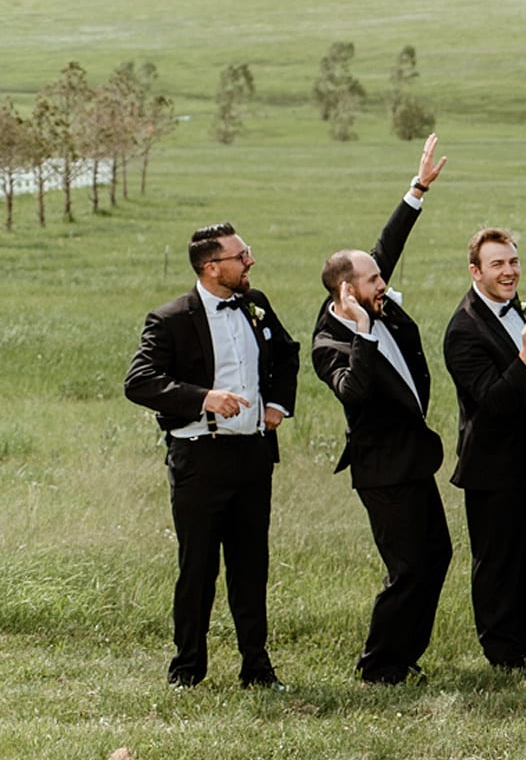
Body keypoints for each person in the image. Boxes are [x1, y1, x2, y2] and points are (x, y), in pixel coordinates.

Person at [125, 221, 300, 689]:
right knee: (198, 566)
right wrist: (204, 397)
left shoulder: (255, 304)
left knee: (251, 564)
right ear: (211, 267)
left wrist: (278, 406)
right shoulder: (170, 319)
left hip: (253, 457)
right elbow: (139, 381)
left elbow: (287, 354)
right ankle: (187, 669)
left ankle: (257, 669)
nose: (250, 262)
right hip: (199, 459)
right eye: (241, 256)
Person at [309, 133, 451, 685]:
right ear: (347, 292)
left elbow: (384, 249)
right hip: (383, 471)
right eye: (372, 281)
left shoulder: (372, 291)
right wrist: (366, 334)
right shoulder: (332, 341)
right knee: (408, 568)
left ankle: (404, 657)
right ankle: (378, 666)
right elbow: (354, 392)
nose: (383, 283)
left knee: (434, 559)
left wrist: (416, 189)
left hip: (414, 460)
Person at [444, 226, 526, 670]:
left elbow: (513, 383)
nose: (508, 271)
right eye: (497, 264)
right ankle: (502, 653)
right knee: (497, 562)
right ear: (475, 271)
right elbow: (493, 401)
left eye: (513, 262)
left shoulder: (510, 307)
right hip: (494, 465)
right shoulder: (463, 329)